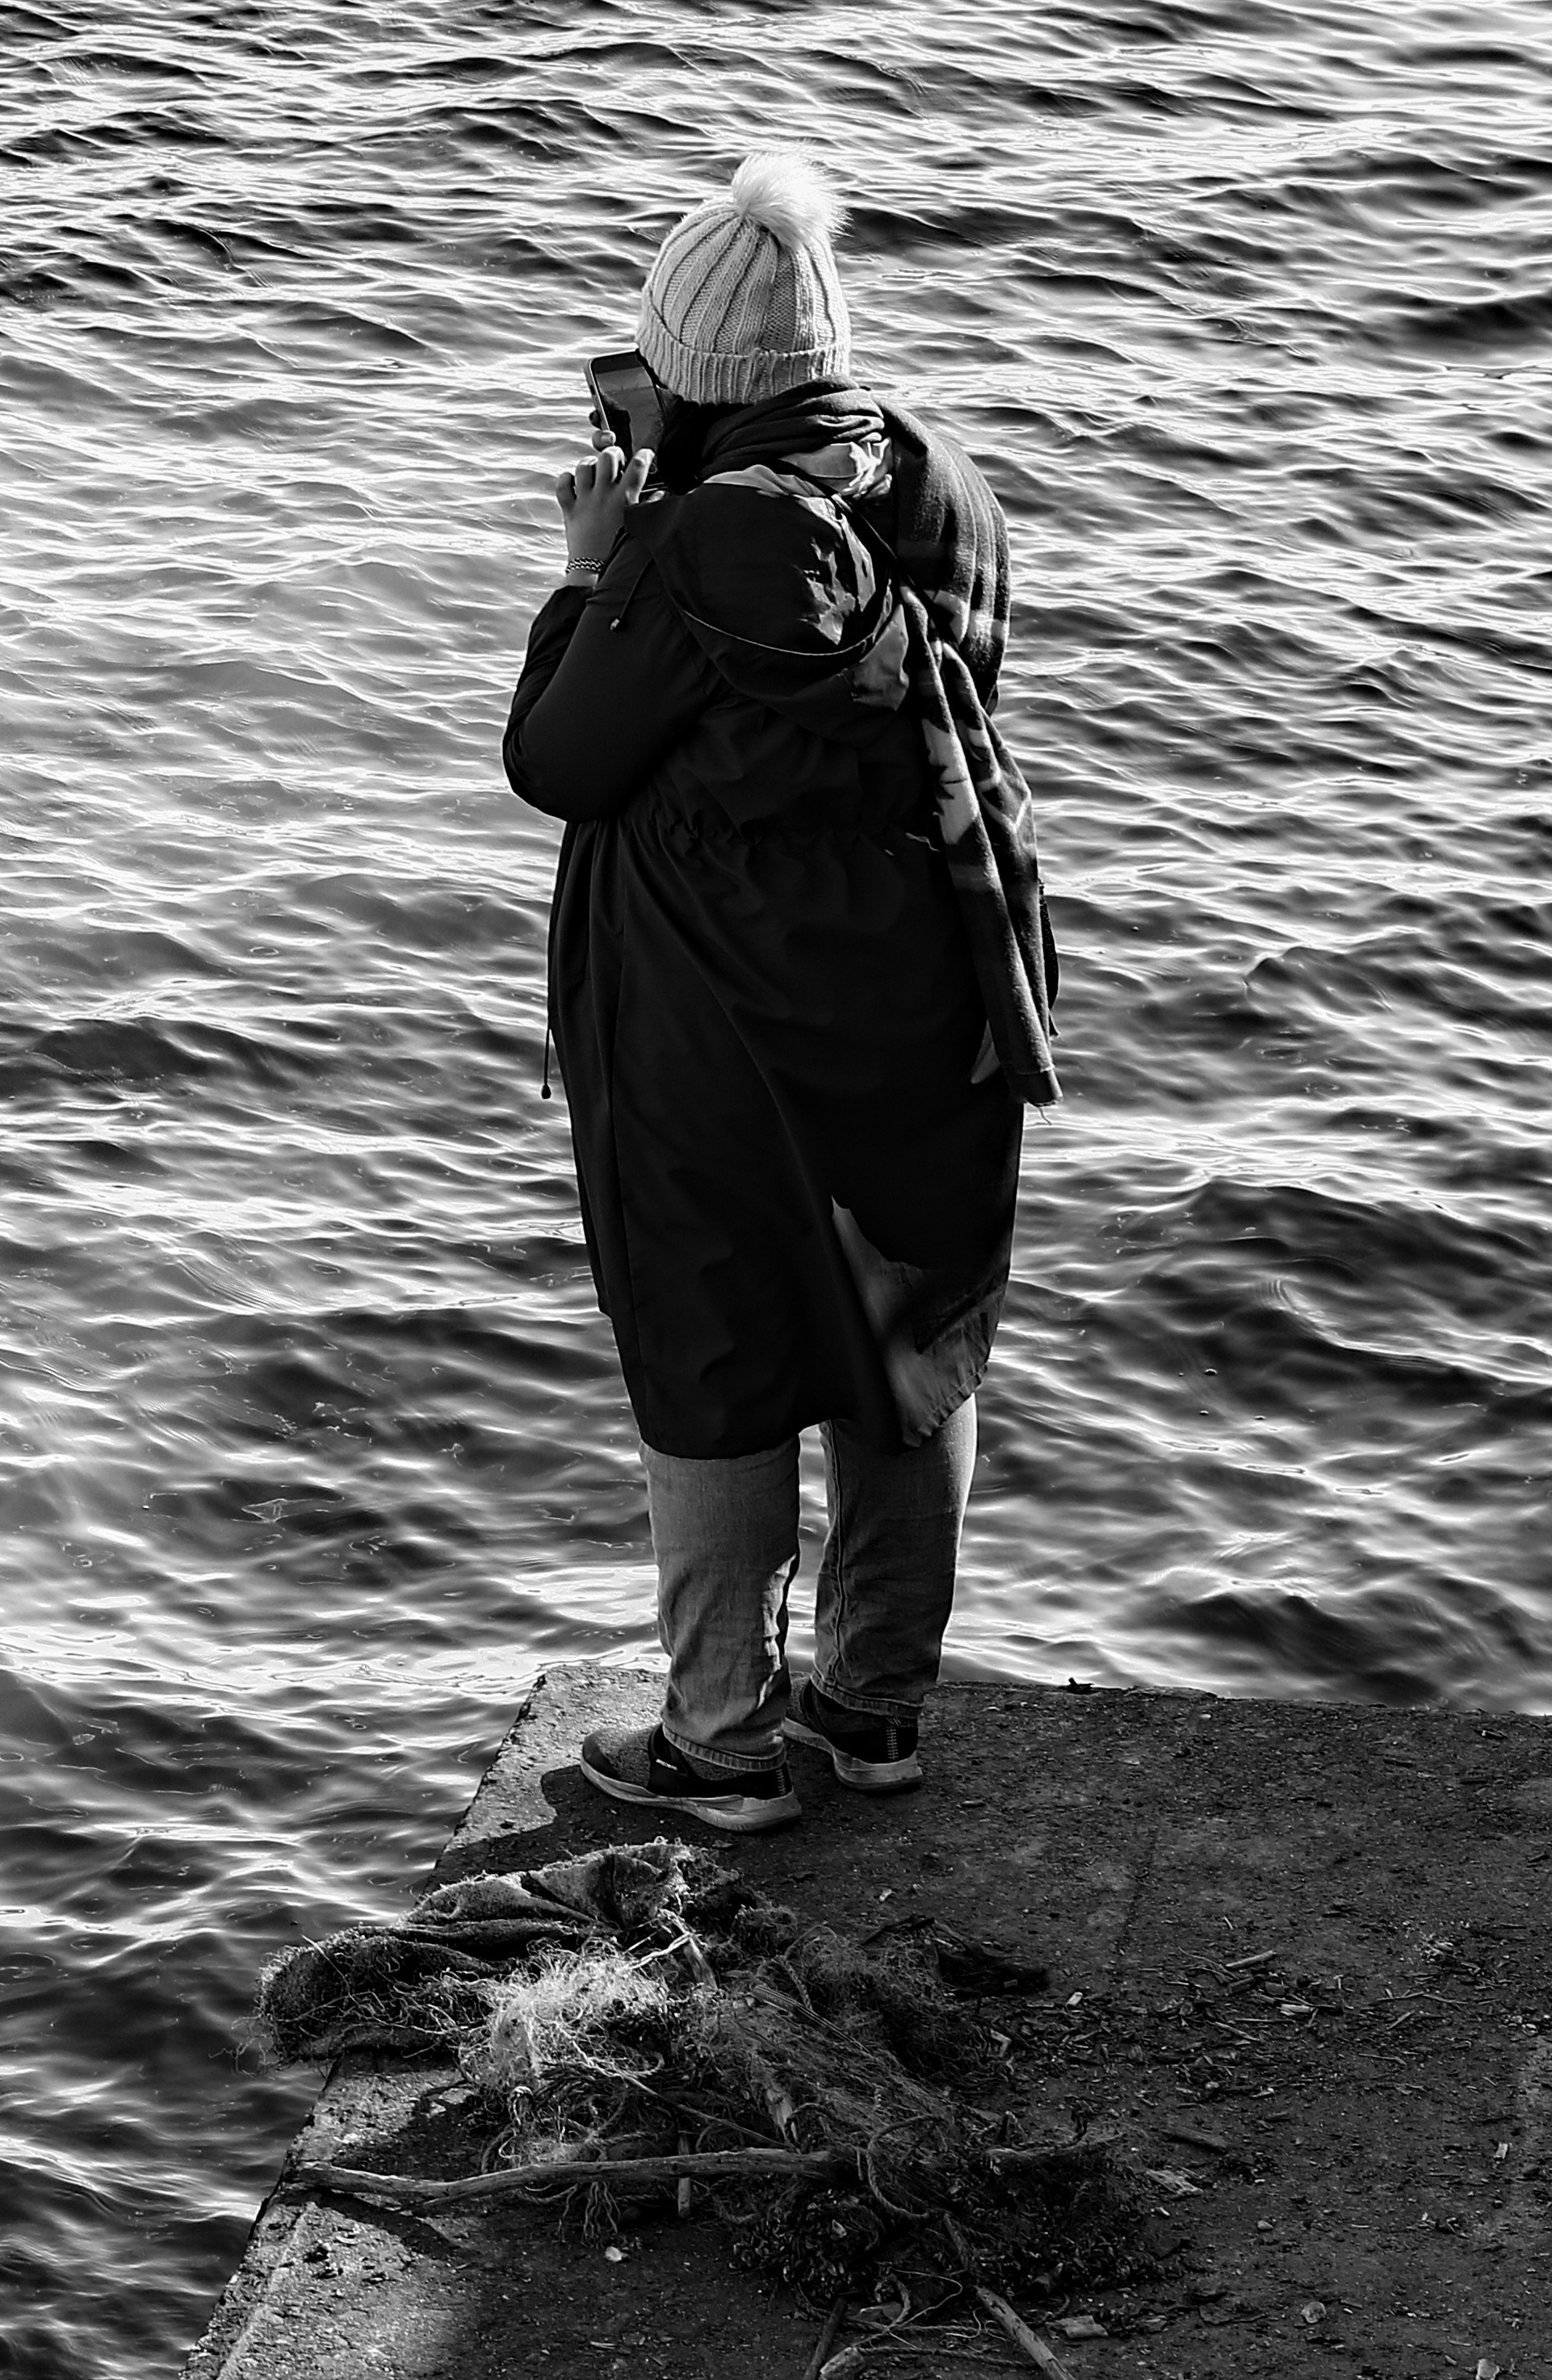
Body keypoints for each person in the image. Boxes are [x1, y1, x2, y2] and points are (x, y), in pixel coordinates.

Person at [501, 146, 1059, 1838]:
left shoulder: (688, 546)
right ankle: (873, 1710)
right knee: (903, 1337)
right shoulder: (945, 487)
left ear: (685, 375)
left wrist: (593, 565)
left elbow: (558, 760)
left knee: (713, 1339)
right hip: (923, 979)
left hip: (713, 1016)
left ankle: (722, 1741)